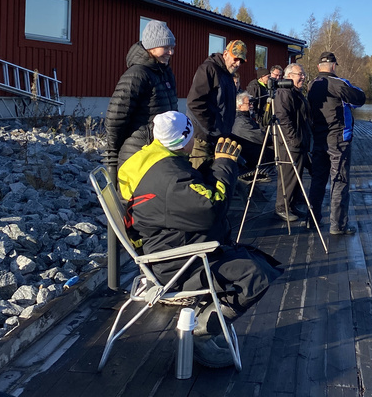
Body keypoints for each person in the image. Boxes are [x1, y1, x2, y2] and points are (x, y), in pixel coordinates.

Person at [118, 111, 283, 368]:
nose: (195, 140)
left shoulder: (153, 160)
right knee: (254, 275)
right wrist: (225, 165)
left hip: (165, 246)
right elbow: (211, 209)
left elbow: (189, 194)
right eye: (192, 135)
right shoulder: (171, 177)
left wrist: (214, 165)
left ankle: (203, 320)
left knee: (249, 261)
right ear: (183, 140)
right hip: (175, 264)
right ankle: (201, 332)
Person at [104, 20, 178, 175]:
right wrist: (112, 160)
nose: (171, 52)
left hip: (160, 151)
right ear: (152, 47)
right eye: (166, 47)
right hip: (139, 152)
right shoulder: (137, 74)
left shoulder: (165, 73)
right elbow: (115, 118)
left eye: (172, 47)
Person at [307, 52, 367, 235]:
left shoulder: (311, 85)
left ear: (318, 67)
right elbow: (359, 99)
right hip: (338, 140)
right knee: (339, 181)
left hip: (318, 139)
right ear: (333, 66)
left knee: (318, 180)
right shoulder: (339, 83)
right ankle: (338, 225)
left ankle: (312, 220)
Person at [186, 40, 247, 169]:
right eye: (235, 59)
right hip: (203, 139)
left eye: (241, 61)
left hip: (219, 139)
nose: (237, 64)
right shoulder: (208, 69)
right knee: (200, 174)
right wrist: (212, 129)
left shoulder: (228, 76)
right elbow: (195, 103)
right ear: (225, 54)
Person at [272, 63, 311, 223]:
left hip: (299, 141)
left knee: (297, 177)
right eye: (299, 74)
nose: (303, 77)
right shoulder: (284, 93)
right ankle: (282, 208)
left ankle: (292, 205)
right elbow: (283, 119)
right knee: (288, 177)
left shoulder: (296, 93)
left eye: (303, 74)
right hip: (289, 143)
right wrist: (294, 139)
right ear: (289, 76)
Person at [231, 91, 269, 173]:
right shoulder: (241, 122)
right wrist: (273, 136)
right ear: (240, 106)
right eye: (249, 104)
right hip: (250, 162)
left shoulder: (246, 118)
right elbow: (262, 138)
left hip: (254, 159)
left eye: (252, 103)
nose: (252, 106)